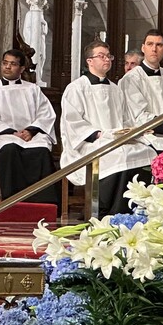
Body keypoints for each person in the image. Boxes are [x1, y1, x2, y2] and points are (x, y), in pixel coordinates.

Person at [60, 41, 154, 217]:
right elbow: (71, 122)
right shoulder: (76, 88)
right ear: (89, 61)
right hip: (90, 143)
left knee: (146, 152)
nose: (107, 60)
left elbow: (125, 118)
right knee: (119, 155)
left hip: (116, 139)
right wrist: (98, 134)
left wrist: (132, 131)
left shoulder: (116, 89)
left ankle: (134, 208)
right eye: (101, 56)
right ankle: (106, 209)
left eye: (108, 56)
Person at [0, 49, 59, 206]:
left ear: (21, 69)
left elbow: (45, 114)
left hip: (31, 135)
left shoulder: (32, 89)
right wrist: (12, 132)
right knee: (10, 149)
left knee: (40, 151)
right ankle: (12, 203)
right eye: (5, 63)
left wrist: (31, 130)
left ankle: (43, 204)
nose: (7, 67)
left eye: (13, 64)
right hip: (4, 135)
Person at [118, 29, 163, 138]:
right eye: (150, 44)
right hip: (145, 136)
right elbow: (137, 115)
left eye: (159, 45)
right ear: (143, 48)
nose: (154, 49)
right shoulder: (131, 79)